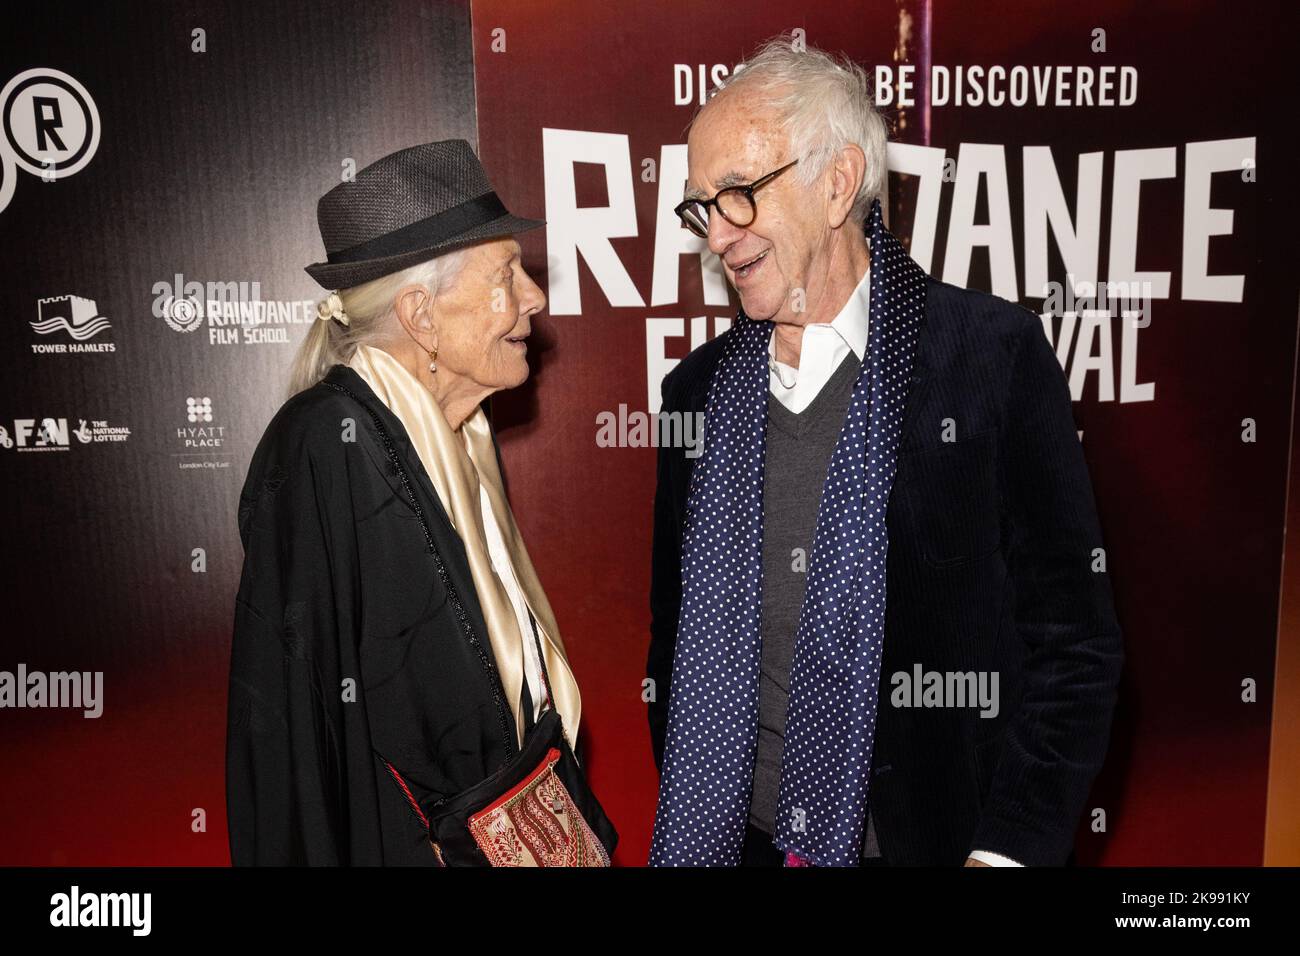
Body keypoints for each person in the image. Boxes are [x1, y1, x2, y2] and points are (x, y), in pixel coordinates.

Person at [647, 38, 1123, 867]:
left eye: (738, 196)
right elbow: (674, 639)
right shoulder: (696, 396)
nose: (716, 234)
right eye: (700, 207)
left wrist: (1007, 852)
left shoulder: (990, 358)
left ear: (837, 183)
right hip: (737, 846)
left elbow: (1076, 646)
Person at [227, 140, 613, 865]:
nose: (533, 298)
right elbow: (289, 742)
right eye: (505, 276)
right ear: (421, 315)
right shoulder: (325, 448)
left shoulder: (460, 436)